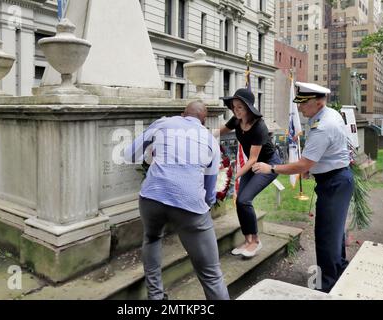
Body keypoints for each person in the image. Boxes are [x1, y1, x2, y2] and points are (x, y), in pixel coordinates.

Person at [253, 82, 354, 293]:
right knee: (334, 232)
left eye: (303, 104)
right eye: (298, 103)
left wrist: (271, 168)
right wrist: (313, 167)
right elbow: (326, 153)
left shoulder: (323, 126)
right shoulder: (328, 114)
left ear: (317, 103)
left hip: (334, 182)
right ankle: (339, 273)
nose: (299, 108)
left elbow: (302, 164)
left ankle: (326, 286)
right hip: (336, 179)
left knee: (327, 235)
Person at [124, 101, 230, 300]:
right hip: (190, 206)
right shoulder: (210, 140)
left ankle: (155, 297)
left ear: (183, 114)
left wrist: (152, 156)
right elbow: (210, 188)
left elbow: (130, 154)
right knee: (211, 273)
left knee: (152, 238)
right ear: (204, 120)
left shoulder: (164, 123)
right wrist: (206, 205)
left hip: (151, 197)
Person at [217, 88, 282, 258]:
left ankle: (255, 242)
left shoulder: (259, 127)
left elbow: (253, 159)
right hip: (252, 165)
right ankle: (248, 241)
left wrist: (233, 176)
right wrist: (201, 134)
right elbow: (220, 131)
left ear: (248, 107)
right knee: (240, 201)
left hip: (268, 164)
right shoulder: (237, 120)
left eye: (240, 107)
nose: (236, 110)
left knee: (245, 200)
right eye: (234, 107)